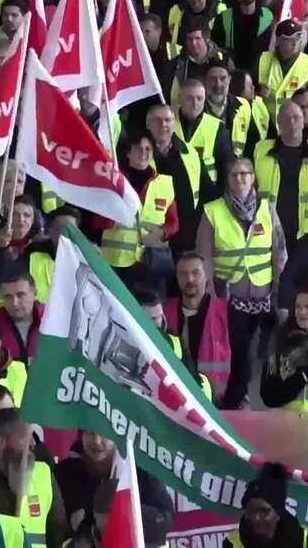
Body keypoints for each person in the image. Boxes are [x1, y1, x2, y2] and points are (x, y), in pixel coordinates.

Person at [196, 157, 286, 409]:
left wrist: (279, 284)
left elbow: (279, 248)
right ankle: (238, 397)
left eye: (245, 173)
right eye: (234, 174)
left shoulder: (267, 209)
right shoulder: (212, 210)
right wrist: (211, 292)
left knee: (258, 348)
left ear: (253, 177)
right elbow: (204, 256)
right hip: (230, 296)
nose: (240, 178)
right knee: (239, 349)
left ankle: (253, 393)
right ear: (227, 180)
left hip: (264, 293)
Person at [97, 131, 178, 297]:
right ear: (128, 152)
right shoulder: (114, 181)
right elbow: (97, 222)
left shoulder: (165, 183)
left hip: (152, 263)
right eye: (138, 148)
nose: (143, 153)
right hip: (117, 263)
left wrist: (162, 232)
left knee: (151, 316)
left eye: (148, 149)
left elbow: (174, 223)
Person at [56, 431, 173, 538]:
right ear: (81, 434)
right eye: (90, 433)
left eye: (103, 432)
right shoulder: (63, 473)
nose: (97, 440)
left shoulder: (139, 470)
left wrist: (125, 514)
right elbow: (54, 527)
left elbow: (166, 519)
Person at [0, 409, 69, 548]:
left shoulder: (43, 474)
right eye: (24, 436)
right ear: (1, 441)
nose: (33, 443)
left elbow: (57, 529)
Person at [253, 100, 308, 251]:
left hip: (307, 237)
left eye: (296, 117)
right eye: (286, 118)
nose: (292, 122)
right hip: (268, 236)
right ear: (279, 124)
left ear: (303, 122)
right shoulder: (261, 151)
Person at [164, 252, 233, 405]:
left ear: (207, 276)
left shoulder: (227, 313)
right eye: (183, 274)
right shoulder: (164, 312)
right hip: (176, 399)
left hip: (217, 403)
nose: (189, 279)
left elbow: (241, 363)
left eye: (196, 273)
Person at [145, 101, 210, 256]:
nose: (163, 124)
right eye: (157, 120)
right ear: (148, 125)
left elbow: (208, 192)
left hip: (187, 238)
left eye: (168, 120)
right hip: (151, 240)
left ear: (174, 123)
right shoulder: (139, 154)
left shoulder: (190, 153)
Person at [222, 462, 308, 547]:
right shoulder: (232, 544)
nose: (256, 518)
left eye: (264, 511)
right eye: (251, 511)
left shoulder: (306, 541)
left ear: (278, 513)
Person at [0, 273, 44, 362]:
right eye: (8, 297)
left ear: (34, 293)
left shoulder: (53, 322)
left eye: (20, 295)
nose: (14, 303)